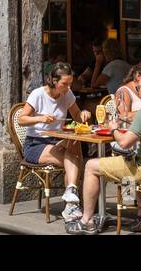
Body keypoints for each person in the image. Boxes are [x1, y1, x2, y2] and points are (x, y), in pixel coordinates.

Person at [72, 71, 141, 234]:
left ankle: (87, 220)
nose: (137, 92)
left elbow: (124, 143)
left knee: (90, 166)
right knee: (127, 159)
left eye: (138, 88)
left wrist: (113, 129)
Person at [17, 62, 91, 224]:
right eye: (64, 84)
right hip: (35, 144)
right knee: (74, 160)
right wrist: (40, 118)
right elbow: (21, 119)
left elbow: (77, 116)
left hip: (58, 140)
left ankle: (71, 198)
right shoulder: (38, 94)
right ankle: (72, 202)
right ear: (53, 81)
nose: (67, 87)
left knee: (73, 145)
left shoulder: (68, 94)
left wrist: (84, 114)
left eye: (70, 83)